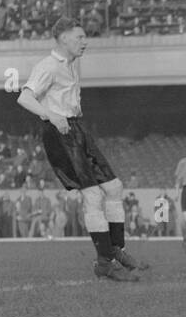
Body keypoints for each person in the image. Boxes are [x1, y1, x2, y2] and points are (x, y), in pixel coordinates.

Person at [16, 17, 148, 281]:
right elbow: (25, 97)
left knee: (114, 187)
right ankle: (104, 263)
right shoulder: (48, 66)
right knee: (92, 196)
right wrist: (51, 116)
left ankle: (116, 250)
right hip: (59, 133)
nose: (85, 42)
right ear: (63, 38)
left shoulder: (72, 65)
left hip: (77, 129)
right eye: (80, 37)